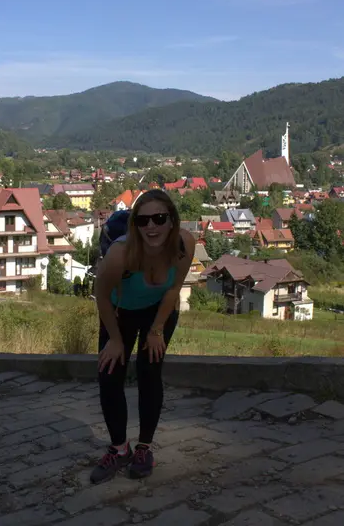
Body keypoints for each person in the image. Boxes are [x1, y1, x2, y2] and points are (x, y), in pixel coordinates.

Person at [90, 189, 195, 484]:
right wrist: (115, 340)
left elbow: (173, 289)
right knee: (110, 373)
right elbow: (101, 296)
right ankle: (119, 448)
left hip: (159, 310)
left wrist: (156, 330)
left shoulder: (185, 244)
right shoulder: (120, 255)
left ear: (172, 220)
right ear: (134, 224)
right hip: (119, 311)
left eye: (159, 218)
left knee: (150, 371)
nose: (151, 226)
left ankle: (144, 449)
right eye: (143, 220)